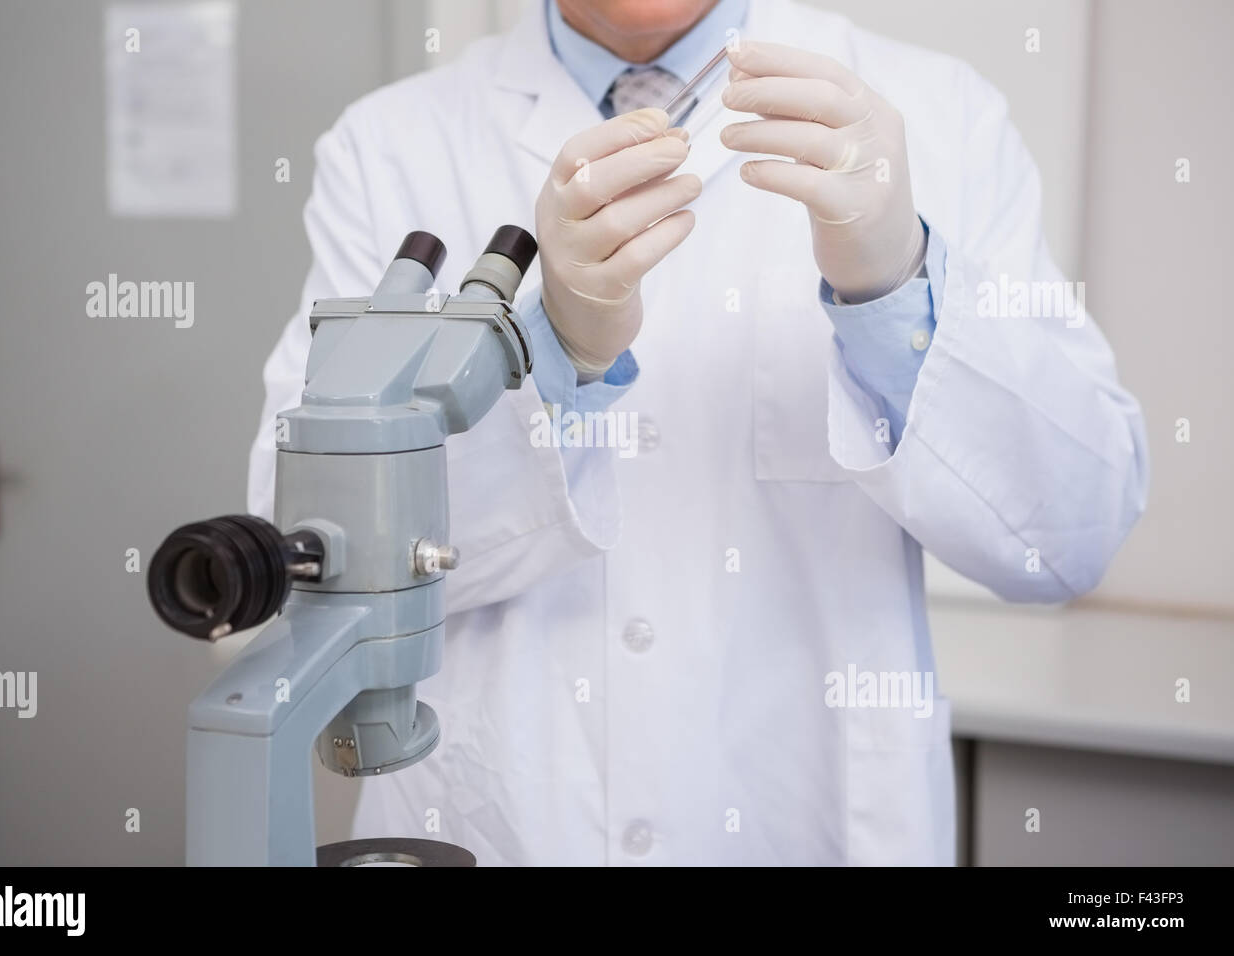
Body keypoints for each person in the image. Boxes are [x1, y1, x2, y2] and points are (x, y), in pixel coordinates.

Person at [247, 0, 1148, 865]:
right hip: (504, 821)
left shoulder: (943, 111)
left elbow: (1067, 536)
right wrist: (551, 356)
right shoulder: (389, 144)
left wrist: (897, 287)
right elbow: (308, 564)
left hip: (801, 819)